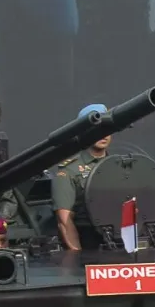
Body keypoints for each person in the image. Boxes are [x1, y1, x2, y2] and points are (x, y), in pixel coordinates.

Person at [51, 103, 112, 250]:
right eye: (96, 130)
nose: (102, 135)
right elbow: (64, 221)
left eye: (106, 129)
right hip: (88, 244)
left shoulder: (117, 166)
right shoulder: (68, 171)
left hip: (121, 243)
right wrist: (78, 258)